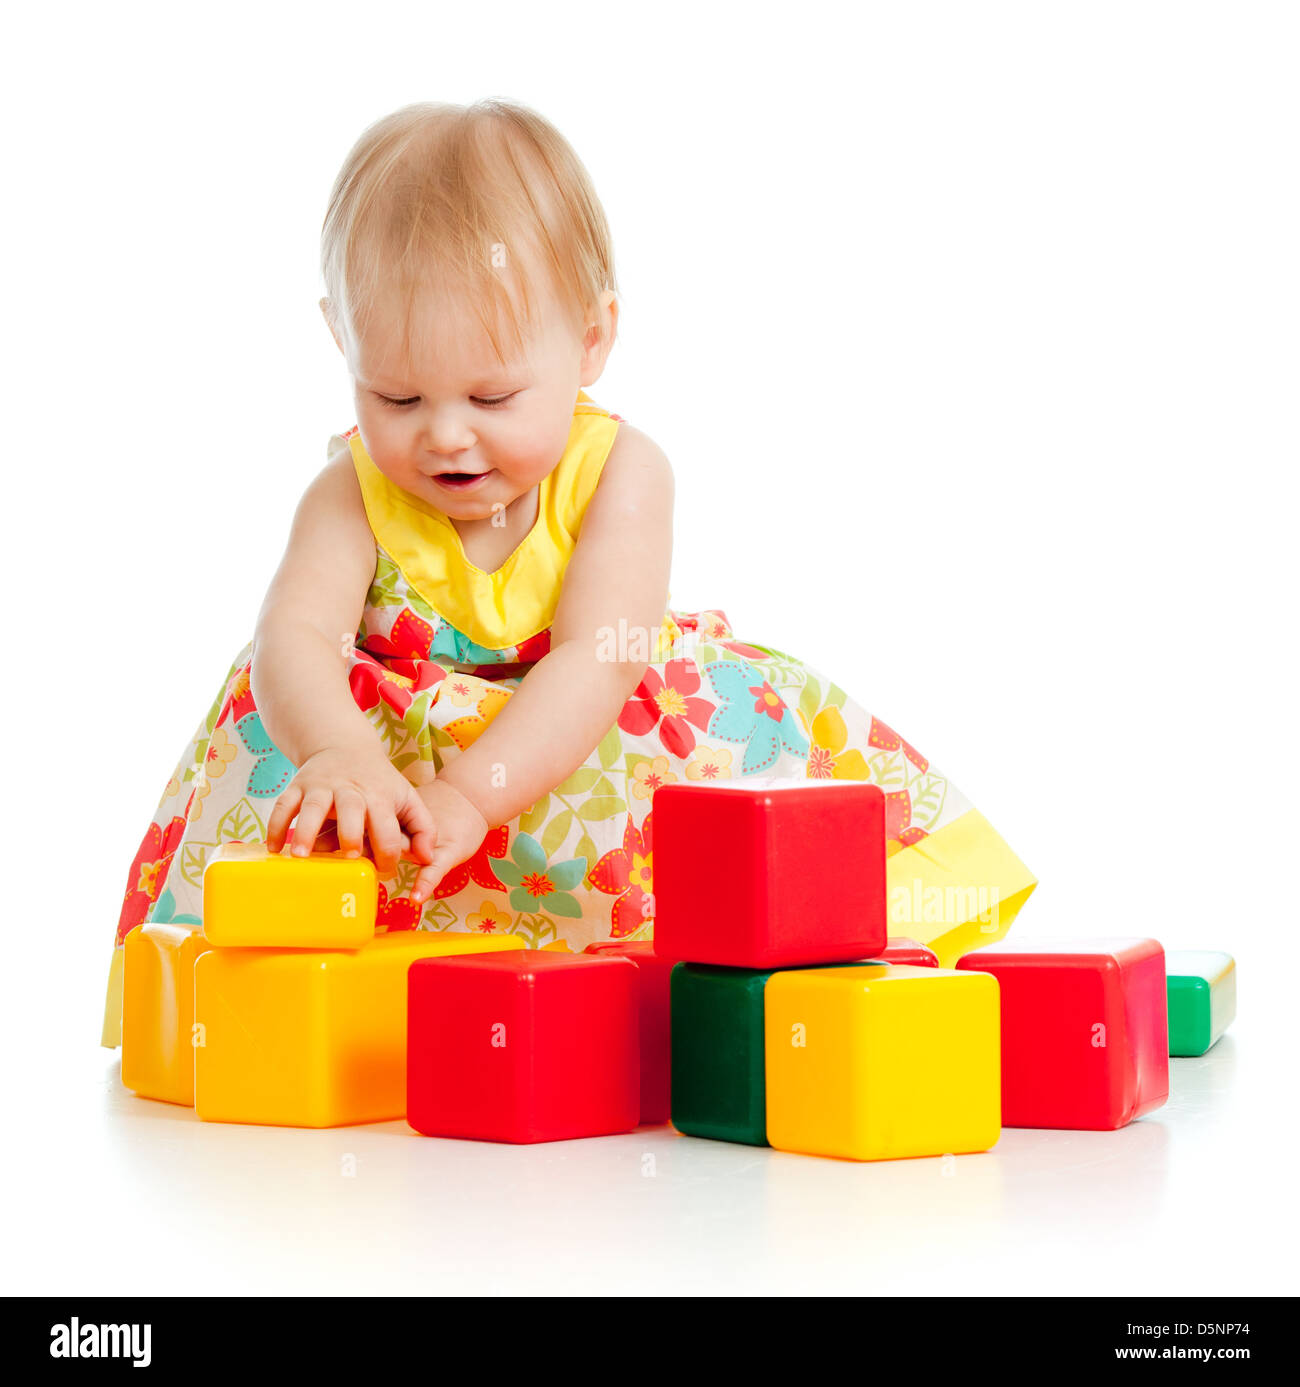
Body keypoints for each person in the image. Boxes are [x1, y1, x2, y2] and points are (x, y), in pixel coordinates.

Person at [102, 99, 1035, 1045]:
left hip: (576, 750)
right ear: (342, 341)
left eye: (493, 394)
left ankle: (671, 1017)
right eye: (397, 394)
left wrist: (471, 792)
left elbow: (599, 652)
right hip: (393, 778)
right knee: (301, 793)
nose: (446, 432)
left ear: (591, 340)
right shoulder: (349, 491)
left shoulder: (621, 470)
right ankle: (334, 1023)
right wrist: (340, 752)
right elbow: (293, 635)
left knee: (706, 905)